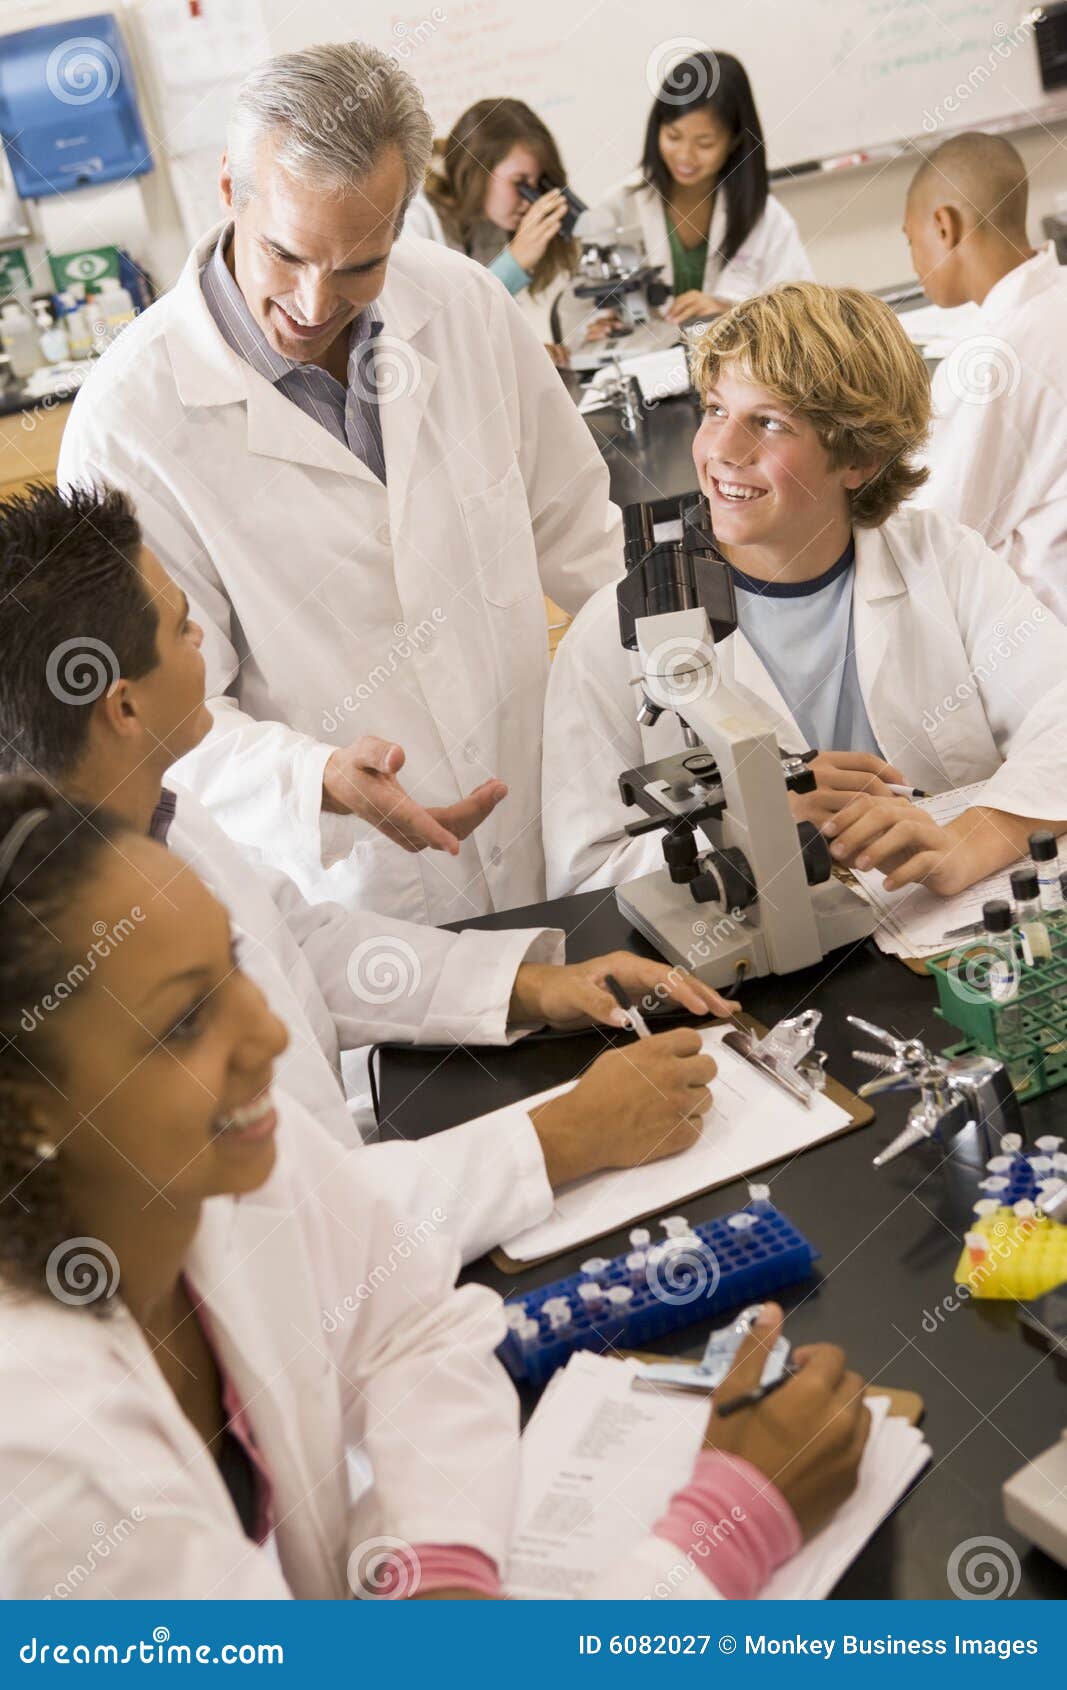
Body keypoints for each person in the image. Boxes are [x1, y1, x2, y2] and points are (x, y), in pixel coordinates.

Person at [0, 789, 869, 1595]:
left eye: (233, 966)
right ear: (27, 1105)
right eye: (185, 1020)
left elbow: (409, 1323)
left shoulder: (230, 1152)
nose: (266, 1033)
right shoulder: (44, 1472)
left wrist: (431, 1568)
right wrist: (723, 1533)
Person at [0, 481, 734, 1265]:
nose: (205, 648)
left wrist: (530, 986)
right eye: (183, 629)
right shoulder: (65, 959)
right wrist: (569, 1134)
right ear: (121, 707)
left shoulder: (154, 808)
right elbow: (292, 1243)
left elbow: (297, 943)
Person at [58, 42, 623, 930]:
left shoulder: (467, 307)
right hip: (352, 897)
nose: (315, 304)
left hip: (547, 830)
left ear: (402, 219)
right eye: (284, 254)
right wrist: (311, 778)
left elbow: (586, 546)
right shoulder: (128, 423)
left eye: (361, 264)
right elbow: (154, 721)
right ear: (229, 193)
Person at [542, 283, 1067, 901]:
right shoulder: (617, 629)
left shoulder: (941, 560)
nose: (722, 452)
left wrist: (971, 838)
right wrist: (755, 821)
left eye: (768, 422)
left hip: (945, 934)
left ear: (860, 460)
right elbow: (582, 876)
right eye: (715, 409)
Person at [904, 131, 1067, 623]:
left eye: (911, 241)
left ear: (943, 226)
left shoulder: (992, 362)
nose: (913, 262)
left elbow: (932, 530)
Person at [589, 52, 812, 328]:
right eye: (673, 136)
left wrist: (731, 310)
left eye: (704, 143)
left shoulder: (766, 219)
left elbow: (803, 313)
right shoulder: (620, 207)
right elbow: (582, 312)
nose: (685, 156)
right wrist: (602, 325)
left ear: (734, 141)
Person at [403, 98, 606, 363]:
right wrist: (514, 262)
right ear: (477, 172)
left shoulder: (486, 220)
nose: (529, 200)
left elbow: (487, 328)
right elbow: (436, 334)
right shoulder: (414, 218)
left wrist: (537, 349)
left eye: (537, 185)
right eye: (520, 183)